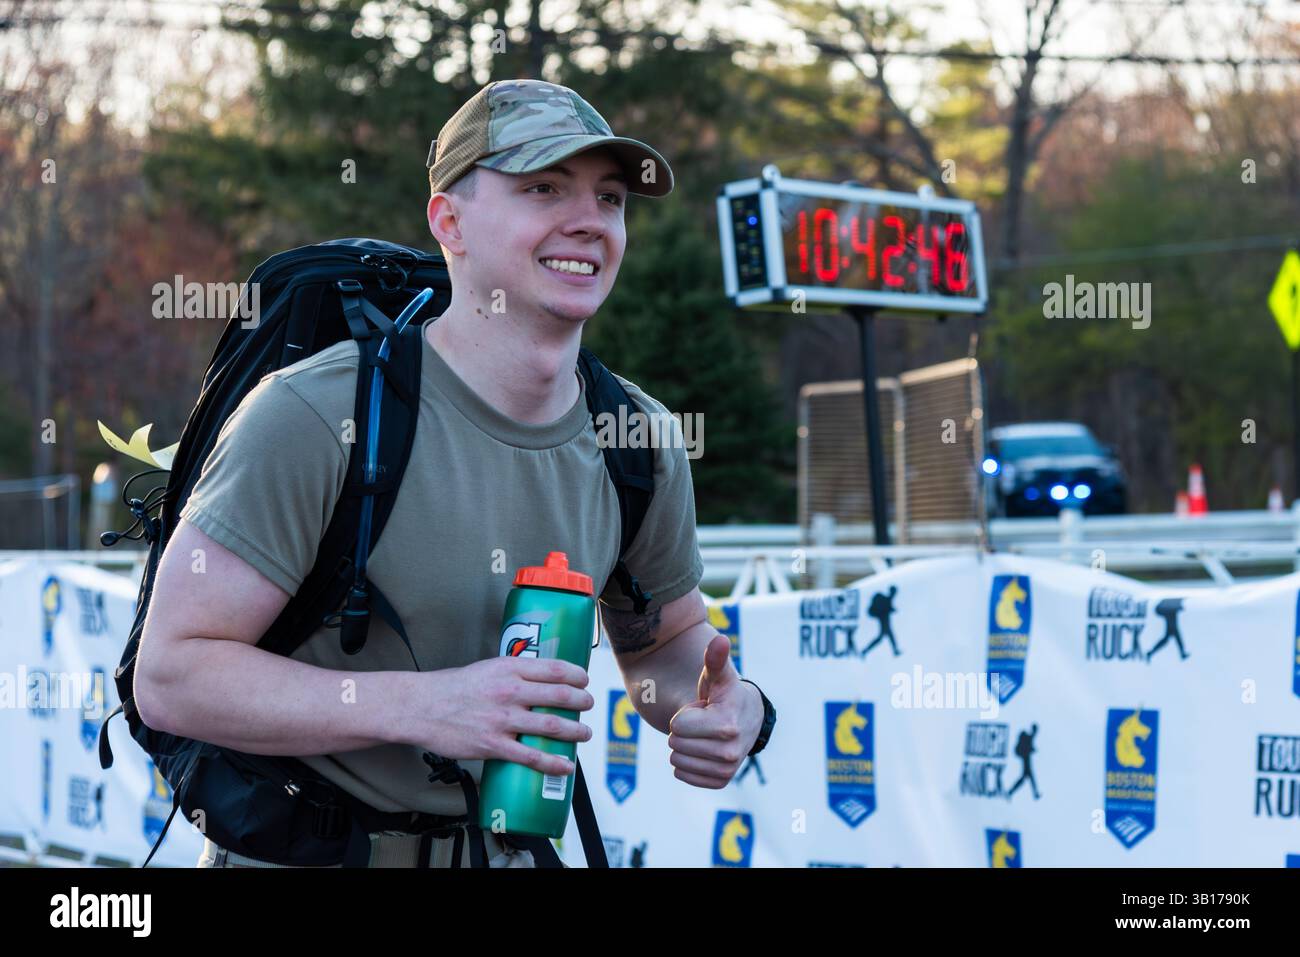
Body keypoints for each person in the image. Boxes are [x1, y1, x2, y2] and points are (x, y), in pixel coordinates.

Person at [133, 79, 771, 868]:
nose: (588, 220)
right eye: (544, 186)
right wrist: (427, 707)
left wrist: (716, 709)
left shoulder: (635, 438)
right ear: (449, 221)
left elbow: (666, 646)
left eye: (609, 198)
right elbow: (171, 674)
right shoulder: (317, 416)